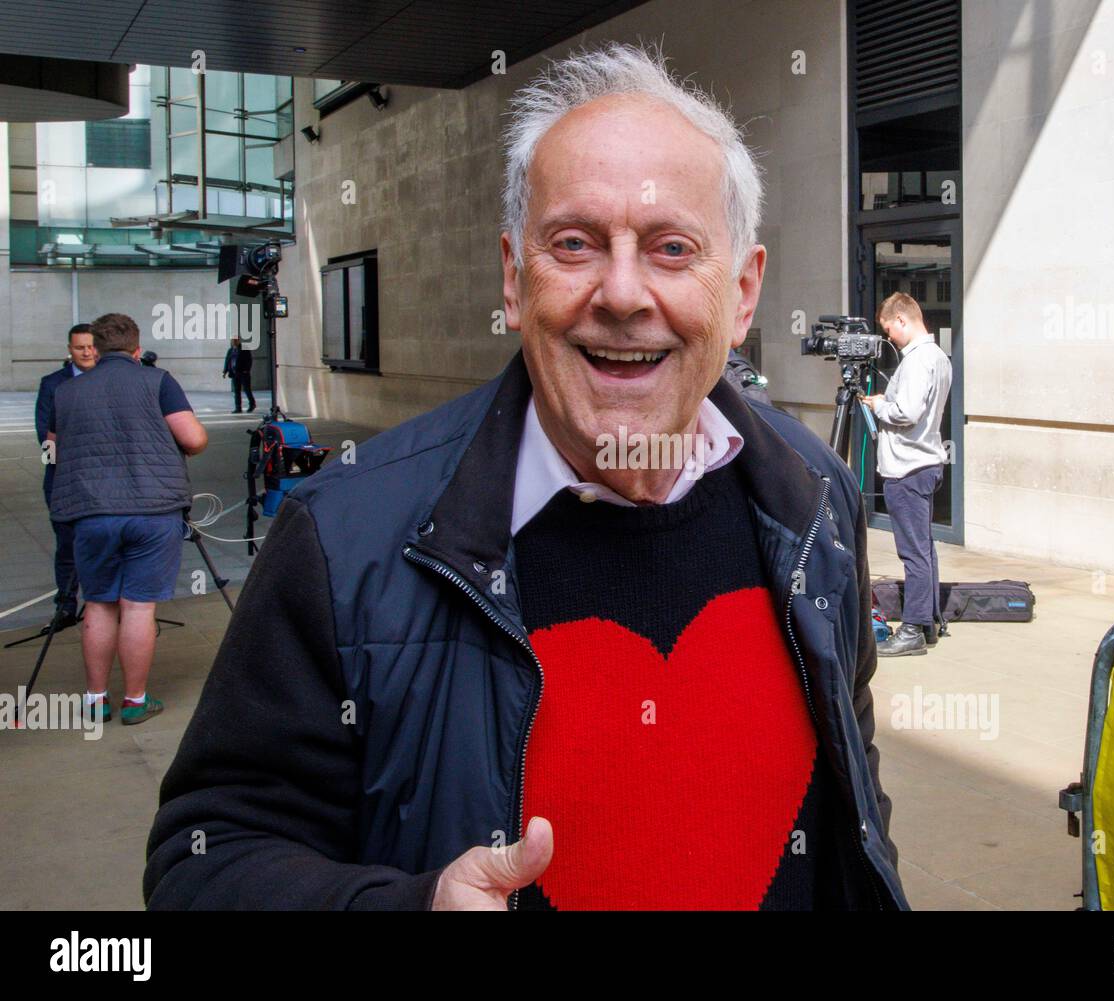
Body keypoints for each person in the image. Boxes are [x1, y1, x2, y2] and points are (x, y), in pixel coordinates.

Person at [144, 41, 907, 912]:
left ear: (741, 294)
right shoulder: (341, 540)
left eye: (670, 248)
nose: (623, 294)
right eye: (575, 243)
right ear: (514, 279)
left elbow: (856, 785)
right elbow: (204, 860)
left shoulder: (815, 494)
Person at [47, 313, 209, 725]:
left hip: (92, 511)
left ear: (95, 350)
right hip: (152, 511)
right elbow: (193, 438)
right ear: (137, 350)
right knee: (138, 608)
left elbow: (53, 451)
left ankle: (96, 700)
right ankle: (135, 701)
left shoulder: (66, 392)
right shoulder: (158, 381)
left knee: (99, 605)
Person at [865, 292, 953, 657]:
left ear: (902, 320)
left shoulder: (918, 360)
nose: (889, 338)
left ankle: (914, 630)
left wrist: (880, 403)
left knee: (913, 553)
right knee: (924, 550)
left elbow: (907, 412)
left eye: (889, 330)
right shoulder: (938, 359)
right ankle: (927, 622)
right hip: (924, 463)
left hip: (909, 467)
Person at [35, 323, 97, 627]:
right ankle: (66, 606)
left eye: (90, 346)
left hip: (103, 480)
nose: (86, 352)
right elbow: (44, 440)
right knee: (68, 547)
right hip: (62, 480)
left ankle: (105, 606)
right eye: (79, 347)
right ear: (69, 350)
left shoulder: (106, 380)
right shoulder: (52, 384)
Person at [222, 336, 255, 413]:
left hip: (243, 373)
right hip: (234, 374)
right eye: (232, 340)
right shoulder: (230, 350)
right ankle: (238, 408)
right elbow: (227, 361)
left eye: (235, 340)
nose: (234, 341)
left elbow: (249, 360)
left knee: (247, 390)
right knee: (236, 391)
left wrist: (246, 370)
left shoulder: (244, 348)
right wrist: (225, 371)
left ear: (239, 340)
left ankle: (252, 404)